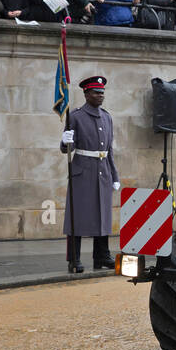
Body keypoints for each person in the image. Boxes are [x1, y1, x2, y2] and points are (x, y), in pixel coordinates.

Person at [60, 75, 120, 272]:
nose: (100, 96)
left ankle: (101, 256)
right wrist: (65, 141)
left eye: (102, 92)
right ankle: (74, 259)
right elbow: (66, 149)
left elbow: (109, 150)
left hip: (102, 171)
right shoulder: (75, 116)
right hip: (82, 170)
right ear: (86, 94)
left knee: (103, 215)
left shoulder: (107, 117)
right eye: (95, 92)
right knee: (77, 217)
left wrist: (115, 176)